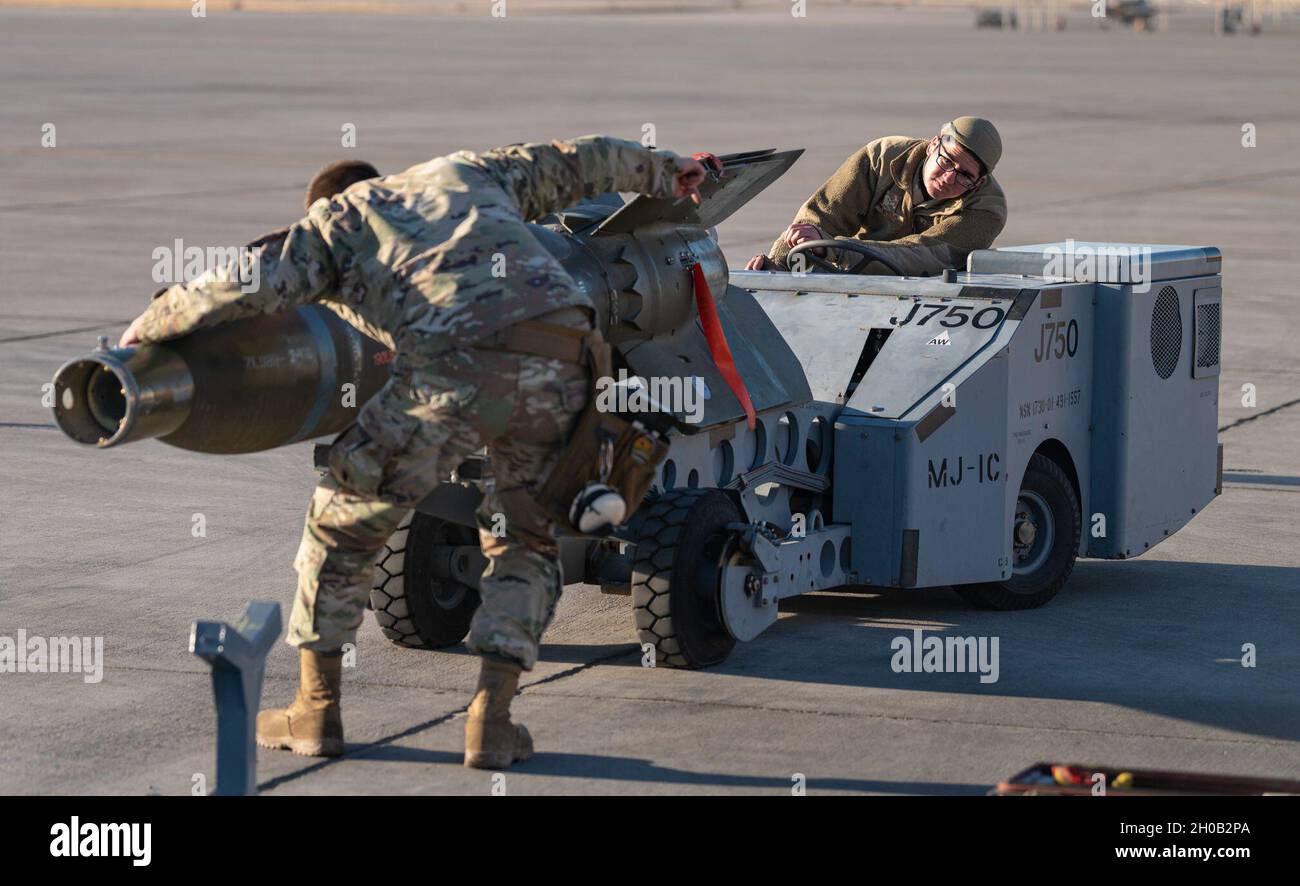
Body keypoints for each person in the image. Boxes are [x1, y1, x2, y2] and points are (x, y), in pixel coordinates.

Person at [118, 136, 712, 770]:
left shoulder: (335, 222)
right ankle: (492, 723)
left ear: (326, 200)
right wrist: (668, 172)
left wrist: (143, 335)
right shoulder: (463, 173)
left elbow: (246, 283)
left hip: (452, 364)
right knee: (527, 542)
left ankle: (316, 710)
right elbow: (581, 162)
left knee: (343, 524)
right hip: (564, 352)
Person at [746, 117, 1006, 276]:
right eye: (947, 161)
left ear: (979, 181)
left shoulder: (986, 211)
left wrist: (836, 250)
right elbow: (820, 216)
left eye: (964, 175)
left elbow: (922, 256)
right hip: (854, 274)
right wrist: (777, 268)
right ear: (933, 144)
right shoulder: (882, 158)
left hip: (933, 298)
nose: (949, 177)